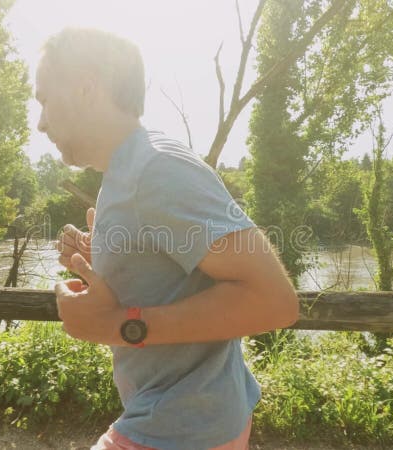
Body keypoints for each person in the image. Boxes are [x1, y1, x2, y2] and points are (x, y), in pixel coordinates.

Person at [36, 27, 299, 450]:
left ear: (86, 88)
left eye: (45, 99)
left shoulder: (155, 169)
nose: (41, 122)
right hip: (198, 418)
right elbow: (173, 267)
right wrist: (107, 256)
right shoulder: (125, 170)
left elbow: (274, 301)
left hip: (177, 425)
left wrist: (115, 325)